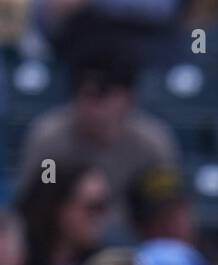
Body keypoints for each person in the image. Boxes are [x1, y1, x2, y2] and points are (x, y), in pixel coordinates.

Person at [17, 50, 178, 232]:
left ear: (128, 97)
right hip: (62, 239)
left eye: (102, 95)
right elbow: (34, 206)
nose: (92, 108)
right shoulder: (50, 141)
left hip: (132, 241)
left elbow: (165, 208)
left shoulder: (150, 143)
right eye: (84, 94)